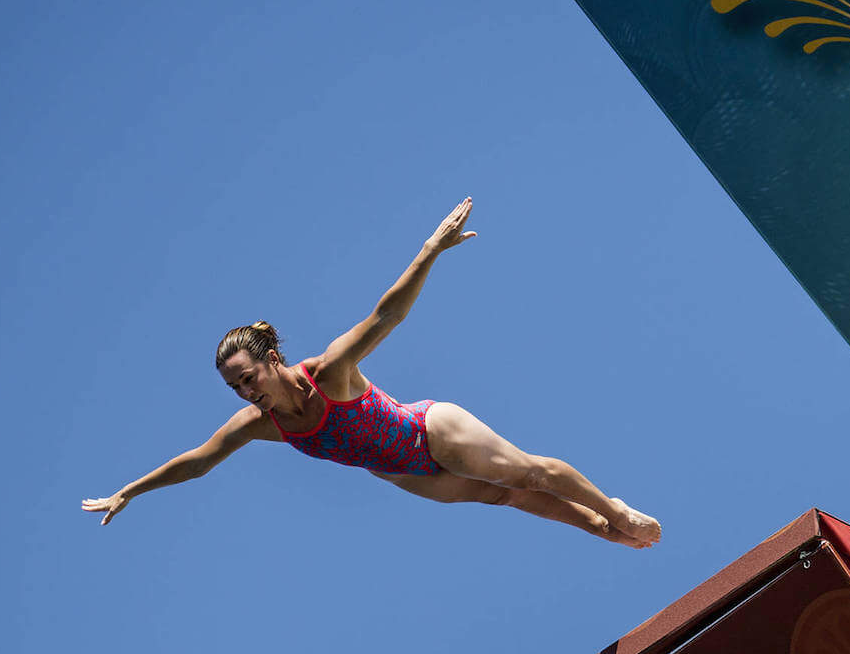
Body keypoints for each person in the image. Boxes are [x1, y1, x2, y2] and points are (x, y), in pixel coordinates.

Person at [82, 199, 660, 547]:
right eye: (236, 387)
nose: (245, 392)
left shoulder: (329, 371)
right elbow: (198, 461)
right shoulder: (261, 425)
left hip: (429, 432)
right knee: (506, 499)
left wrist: (430, 249)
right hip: (407, 473)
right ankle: (603, 530)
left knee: (526, 473)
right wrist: (130, 490)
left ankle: (615, 509)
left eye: (248, 378)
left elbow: (387, 314)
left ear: (271, 361)